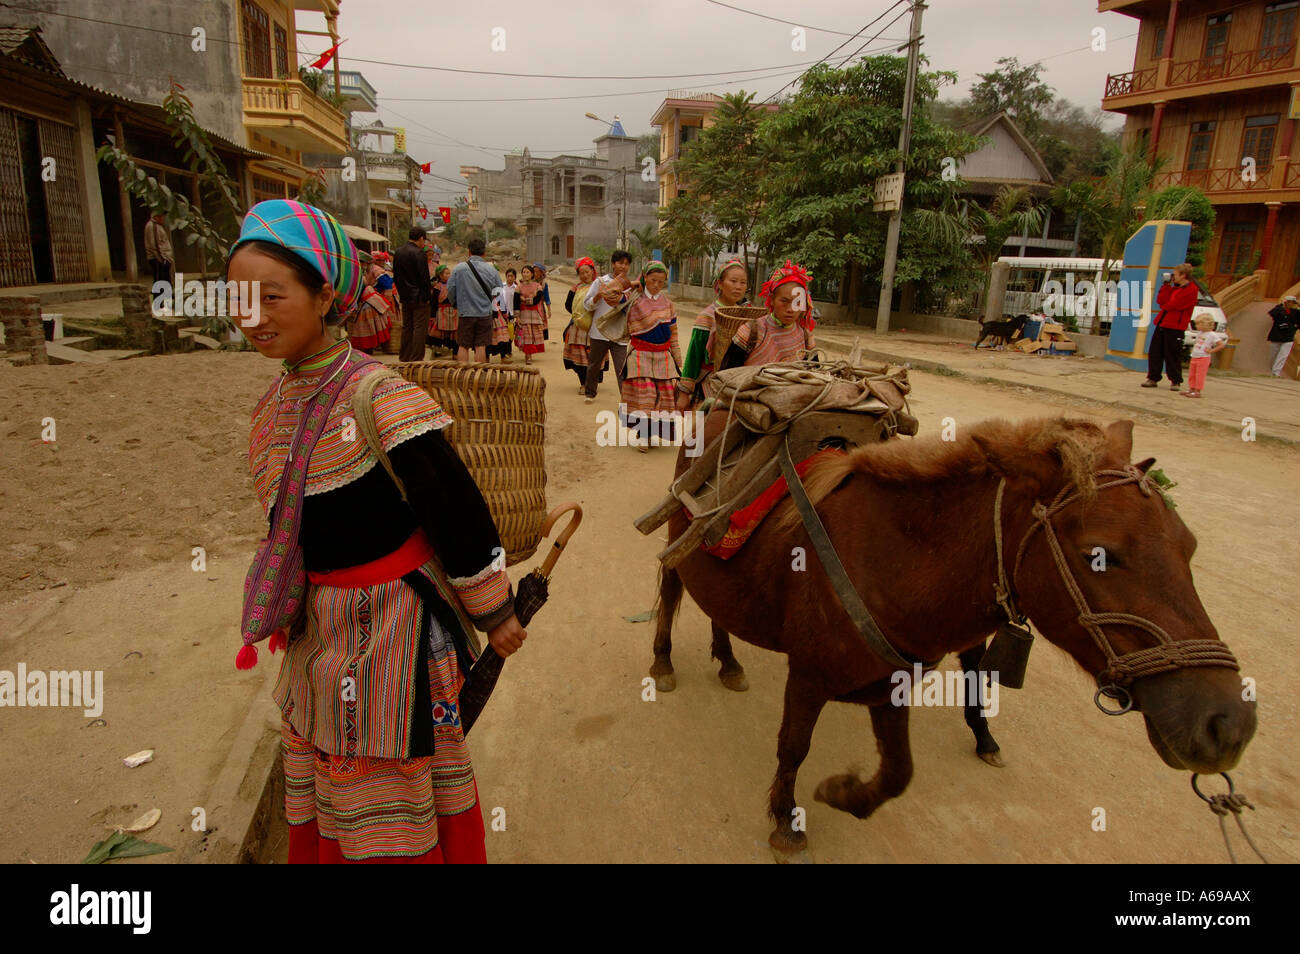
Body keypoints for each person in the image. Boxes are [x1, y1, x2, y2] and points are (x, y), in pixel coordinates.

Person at [226, 198, 526, 864]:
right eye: (239, 298)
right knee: (330, 774)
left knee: (393, 780)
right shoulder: (272, 406)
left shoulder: (377, 395)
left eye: (271, 297)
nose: (251, 316)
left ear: (324, 292)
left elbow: (455, 507)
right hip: (318, 633)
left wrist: (496, 609)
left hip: (394, 633)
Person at [620, 261, 681, 453]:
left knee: (662, 400)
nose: (656, 285)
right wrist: (631, 284)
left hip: (663, 357)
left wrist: (679, 363)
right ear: (644, 277)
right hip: (640, 356)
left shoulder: (668, 305)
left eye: (661, 282)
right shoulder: (632, 300)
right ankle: (644, 437)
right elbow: (609, 294)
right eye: (653, 280)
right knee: (645, 398)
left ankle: (651, 433)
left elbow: (674, 336)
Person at [717, 260, 815, 370]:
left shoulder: (805, 336)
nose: (790, 309)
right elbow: (727, 373)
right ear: (772, 300)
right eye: (784, 301)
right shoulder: (751, 331)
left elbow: (815, 373)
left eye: (797, 303)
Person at [677, 258, 748, 410]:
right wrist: (684, 392)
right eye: (733, 281)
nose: (738, 287)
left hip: (737, 384)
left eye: (743, 282)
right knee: (704, 431)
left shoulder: (746, 316)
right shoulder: (708, 316)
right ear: (720, 284)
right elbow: (694, 355)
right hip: (709, 384)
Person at [583, 249, 634, 404]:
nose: (623, 267)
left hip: (619, 333)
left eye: (626, 264)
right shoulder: (600, 282)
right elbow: (587, 304)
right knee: (594, 364)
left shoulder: (630, 286)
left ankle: (625, 398)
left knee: (621, 366)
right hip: (599, 332)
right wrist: (598, 295)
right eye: (620, 263)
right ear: (613, 264)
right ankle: (590, 393)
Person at [1142, 263, 1197, 391]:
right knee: (1155, 352)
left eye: (1175, 274)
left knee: (1172, 354)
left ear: (1183, 275)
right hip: (1162, 323)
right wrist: (1166, 286)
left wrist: (1167, 302)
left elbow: (1173, 305)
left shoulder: (1191, 290)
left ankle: (1175, 380)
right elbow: (1161, 301)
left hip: (1176, 326)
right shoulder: (1174, 288)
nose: (1173, 277)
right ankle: (1153, 378)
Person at [447, 237, 502, 364]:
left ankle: (463, 374)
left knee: (463, 345)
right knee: (480, 345)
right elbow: (499, 292)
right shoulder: (492, 270)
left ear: (469, 252)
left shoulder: (459, 269)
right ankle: (478, 375)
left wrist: (455, 303)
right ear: (484, 253)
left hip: (465, 313)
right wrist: (494, 308)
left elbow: (450, 288)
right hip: (484, 313)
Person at [563, 257, 601, 392]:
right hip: (578, 328)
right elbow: (568, 306)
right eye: (581, 273)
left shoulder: (600, 286)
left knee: (594, 356)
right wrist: (581, 316)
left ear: (592, 270)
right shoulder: (576, 288)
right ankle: (583, 383)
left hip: (595, 327)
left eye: (587, 272)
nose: (585, 275)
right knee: (579, 356)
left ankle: (591, 382)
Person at [394, 226, 431, 362]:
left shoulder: (398, 252)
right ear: (421, 238)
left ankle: (404, 356)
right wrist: (427, 297)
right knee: (419, 329)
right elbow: (424, 278)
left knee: (407, 327)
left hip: (405, 296)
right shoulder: (419, 253)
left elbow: (397, 276)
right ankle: (416, 357)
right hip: (419, 297)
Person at [1183, 313, 1228, 398]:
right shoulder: (1200, 333)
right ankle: (1191, 388)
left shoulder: (1212, 334)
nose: (1196, 326)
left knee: (1200, 374)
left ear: (1205, 324)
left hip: (1204, 357)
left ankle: (1197, 391)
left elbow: (1221, 345)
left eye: (1198, 324)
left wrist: (1211, 351)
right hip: (1195, 356)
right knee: (1192, 373)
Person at [513, 265, 545, 364]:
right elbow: (516, 303)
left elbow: (537, 300)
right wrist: (517, 316)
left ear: (532, 274)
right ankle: (528, 356)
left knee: (533, 335)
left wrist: (524, 299)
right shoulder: (518, 287)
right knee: (526, 335)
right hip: (523, 314)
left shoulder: (538, 286)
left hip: (535, 314)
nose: (525, 274)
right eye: (523, 272)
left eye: (527, 272)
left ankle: (530, 353)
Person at [487, 267, 517, 363]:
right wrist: (505, 316)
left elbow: (501, 303)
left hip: (490, 314)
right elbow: (502, 303)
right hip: (493, 315)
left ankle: (493, 358)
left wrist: (506, 315)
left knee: (497, 337)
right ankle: (501, 358)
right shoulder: (497, 288)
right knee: (501, 337)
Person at [1266, 295, 1299, 377]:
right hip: (1276, 336)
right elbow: (1271, 313)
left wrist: (1295, 327)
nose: (1291, 304)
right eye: (1290, 302)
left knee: (1283, 355)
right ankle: (1272, 370)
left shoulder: (1296, 312)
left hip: (1288, 337)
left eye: (1293, 303)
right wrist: (1282, 307)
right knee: (1272, 356)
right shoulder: (1278, 309)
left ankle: (1276, 372)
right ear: (1286, 302)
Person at [429, 264, 457, 356]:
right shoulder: (437, 287)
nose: (449, 275)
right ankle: (439, 351)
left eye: (449, 273)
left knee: (454, 332)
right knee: (440, 332)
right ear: (440, 275)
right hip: (442, 312)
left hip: (453, 311)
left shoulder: (453, 285)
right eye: (446, 273)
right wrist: (432, 316)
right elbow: (433, 303)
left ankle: (454, 351)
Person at [144, 212, 174, 288]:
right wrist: (162, 259)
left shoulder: (157, 226)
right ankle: (159, 299)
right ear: (156, 217)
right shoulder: (152, 226)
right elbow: (154, 245)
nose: (163, 219)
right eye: (161, 216)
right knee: (160, 281)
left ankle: (167, 297)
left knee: (165, 281)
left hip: (163, 257)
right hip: (158, 258)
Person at [534, 263, 552, 341]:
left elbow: (546, 297)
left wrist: (549, 310)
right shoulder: (528, 282)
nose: (535, 273)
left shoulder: (544, 284)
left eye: (537, 271)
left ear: (542, 273)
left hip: (539, 307)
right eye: (534, 271)